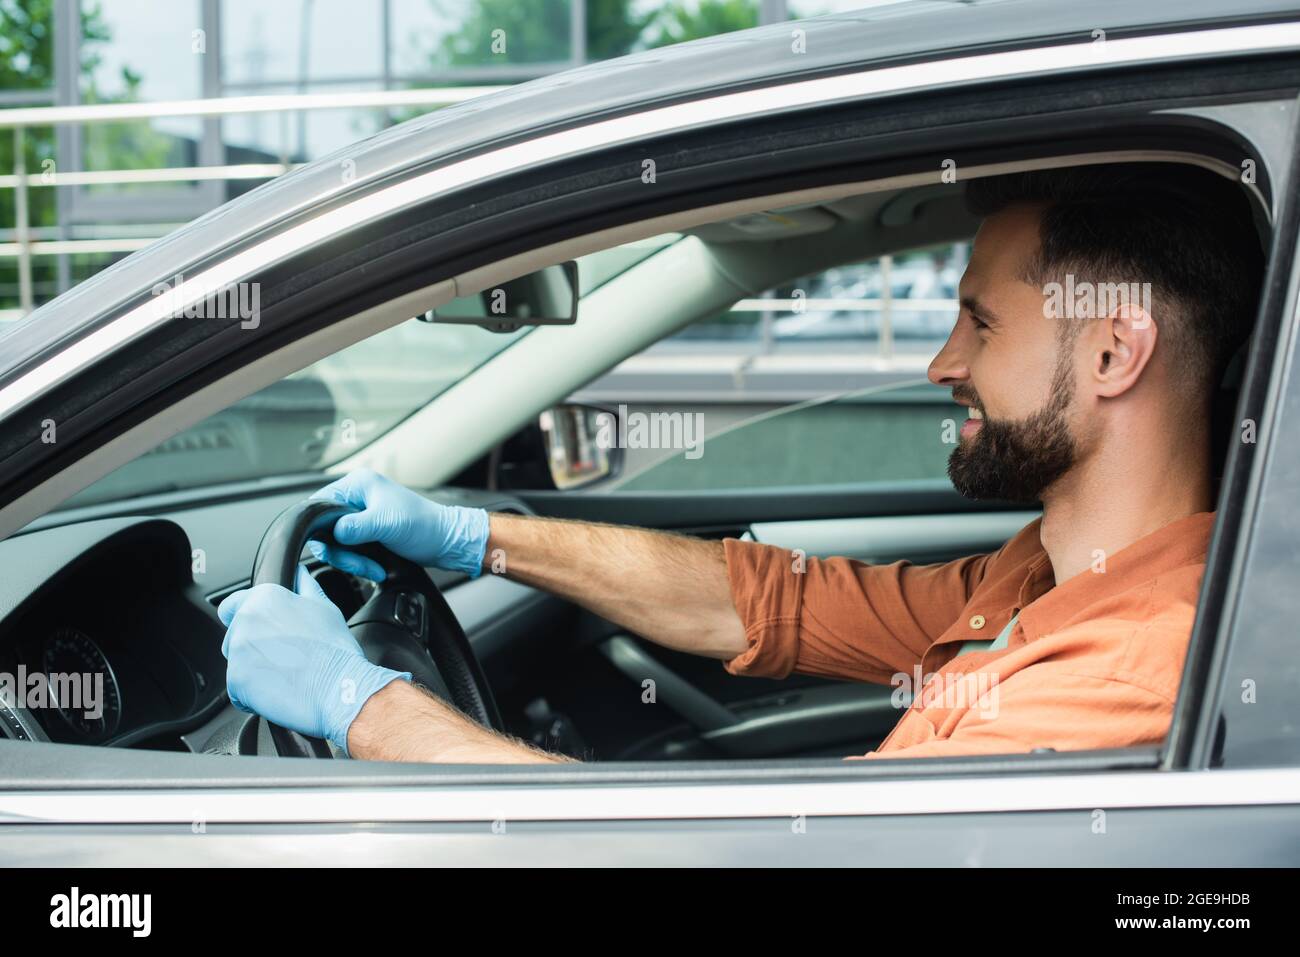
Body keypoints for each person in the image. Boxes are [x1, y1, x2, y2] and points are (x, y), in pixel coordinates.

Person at [219, 164, 1264, 763]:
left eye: (980, 325)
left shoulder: (1132, 675)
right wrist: (478, 536)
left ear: (1113, 352)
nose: (944, 363)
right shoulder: (1042, 572)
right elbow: (766, 602)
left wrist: (364, 707)